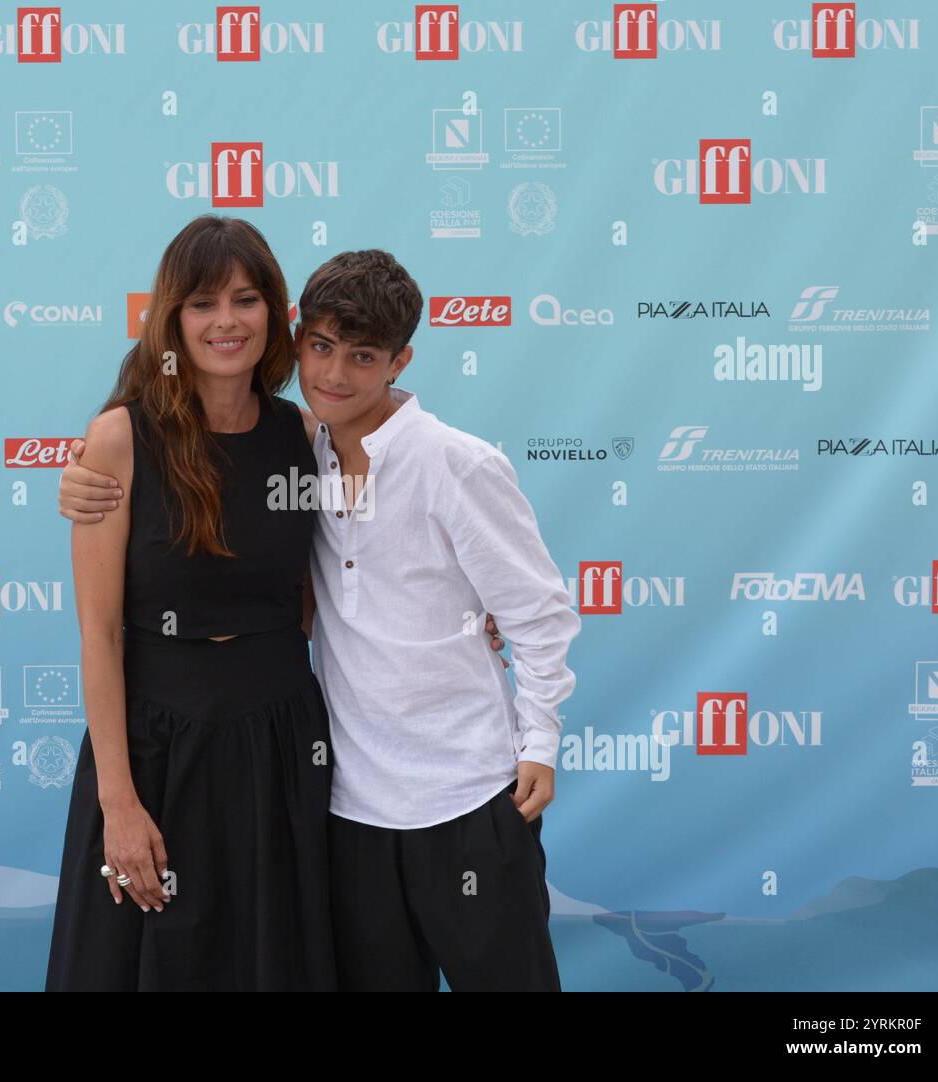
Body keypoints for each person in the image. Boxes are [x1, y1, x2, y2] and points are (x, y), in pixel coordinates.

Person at [58, 247, 576, 992]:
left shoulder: (368, 449)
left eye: (361, 356)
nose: (334, 374)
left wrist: (538, 733)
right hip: (297, 789)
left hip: (411, 782)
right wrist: (80, 486)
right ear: (298, 337)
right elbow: (119, 625)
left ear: (398, 361)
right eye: (323, 348)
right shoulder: (286, 446)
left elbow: (533, 609)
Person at [44, 214, 337, 991]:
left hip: (280, 749)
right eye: (203, 303)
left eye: (245, 299)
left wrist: (470, 615)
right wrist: (120, 804)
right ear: (172, 318)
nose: (226, 321)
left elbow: (347, 581)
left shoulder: (304, 436)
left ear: (274, 313)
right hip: (157, 758)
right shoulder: (118, 439)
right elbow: (100, 636)